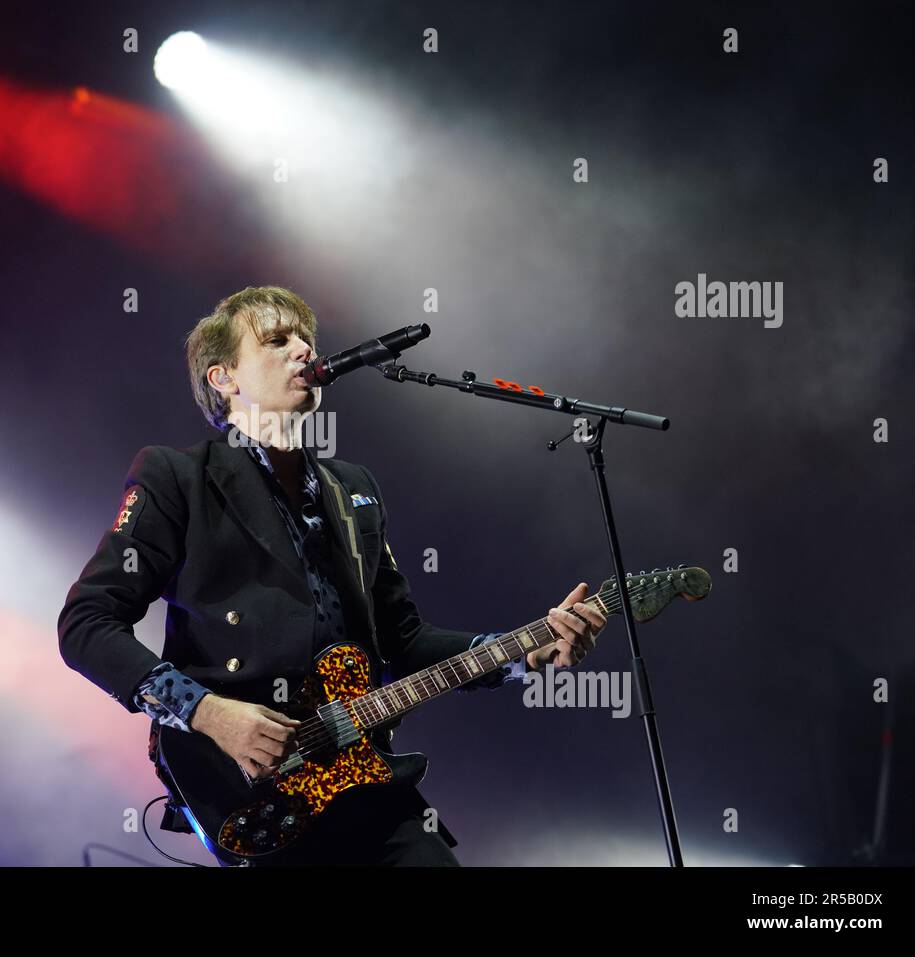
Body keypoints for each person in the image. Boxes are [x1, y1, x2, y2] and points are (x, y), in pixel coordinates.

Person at [57, 285, 606, 866]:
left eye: (305, 339)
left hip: (362, 770)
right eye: (277, 340)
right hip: (251, 783)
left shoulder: (354, 490)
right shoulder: (178, 477)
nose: (302, 350)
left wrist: (520, 651)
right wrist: (207, 711)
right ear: (224, 378)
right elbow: (87, 623)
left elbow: (404, 641)